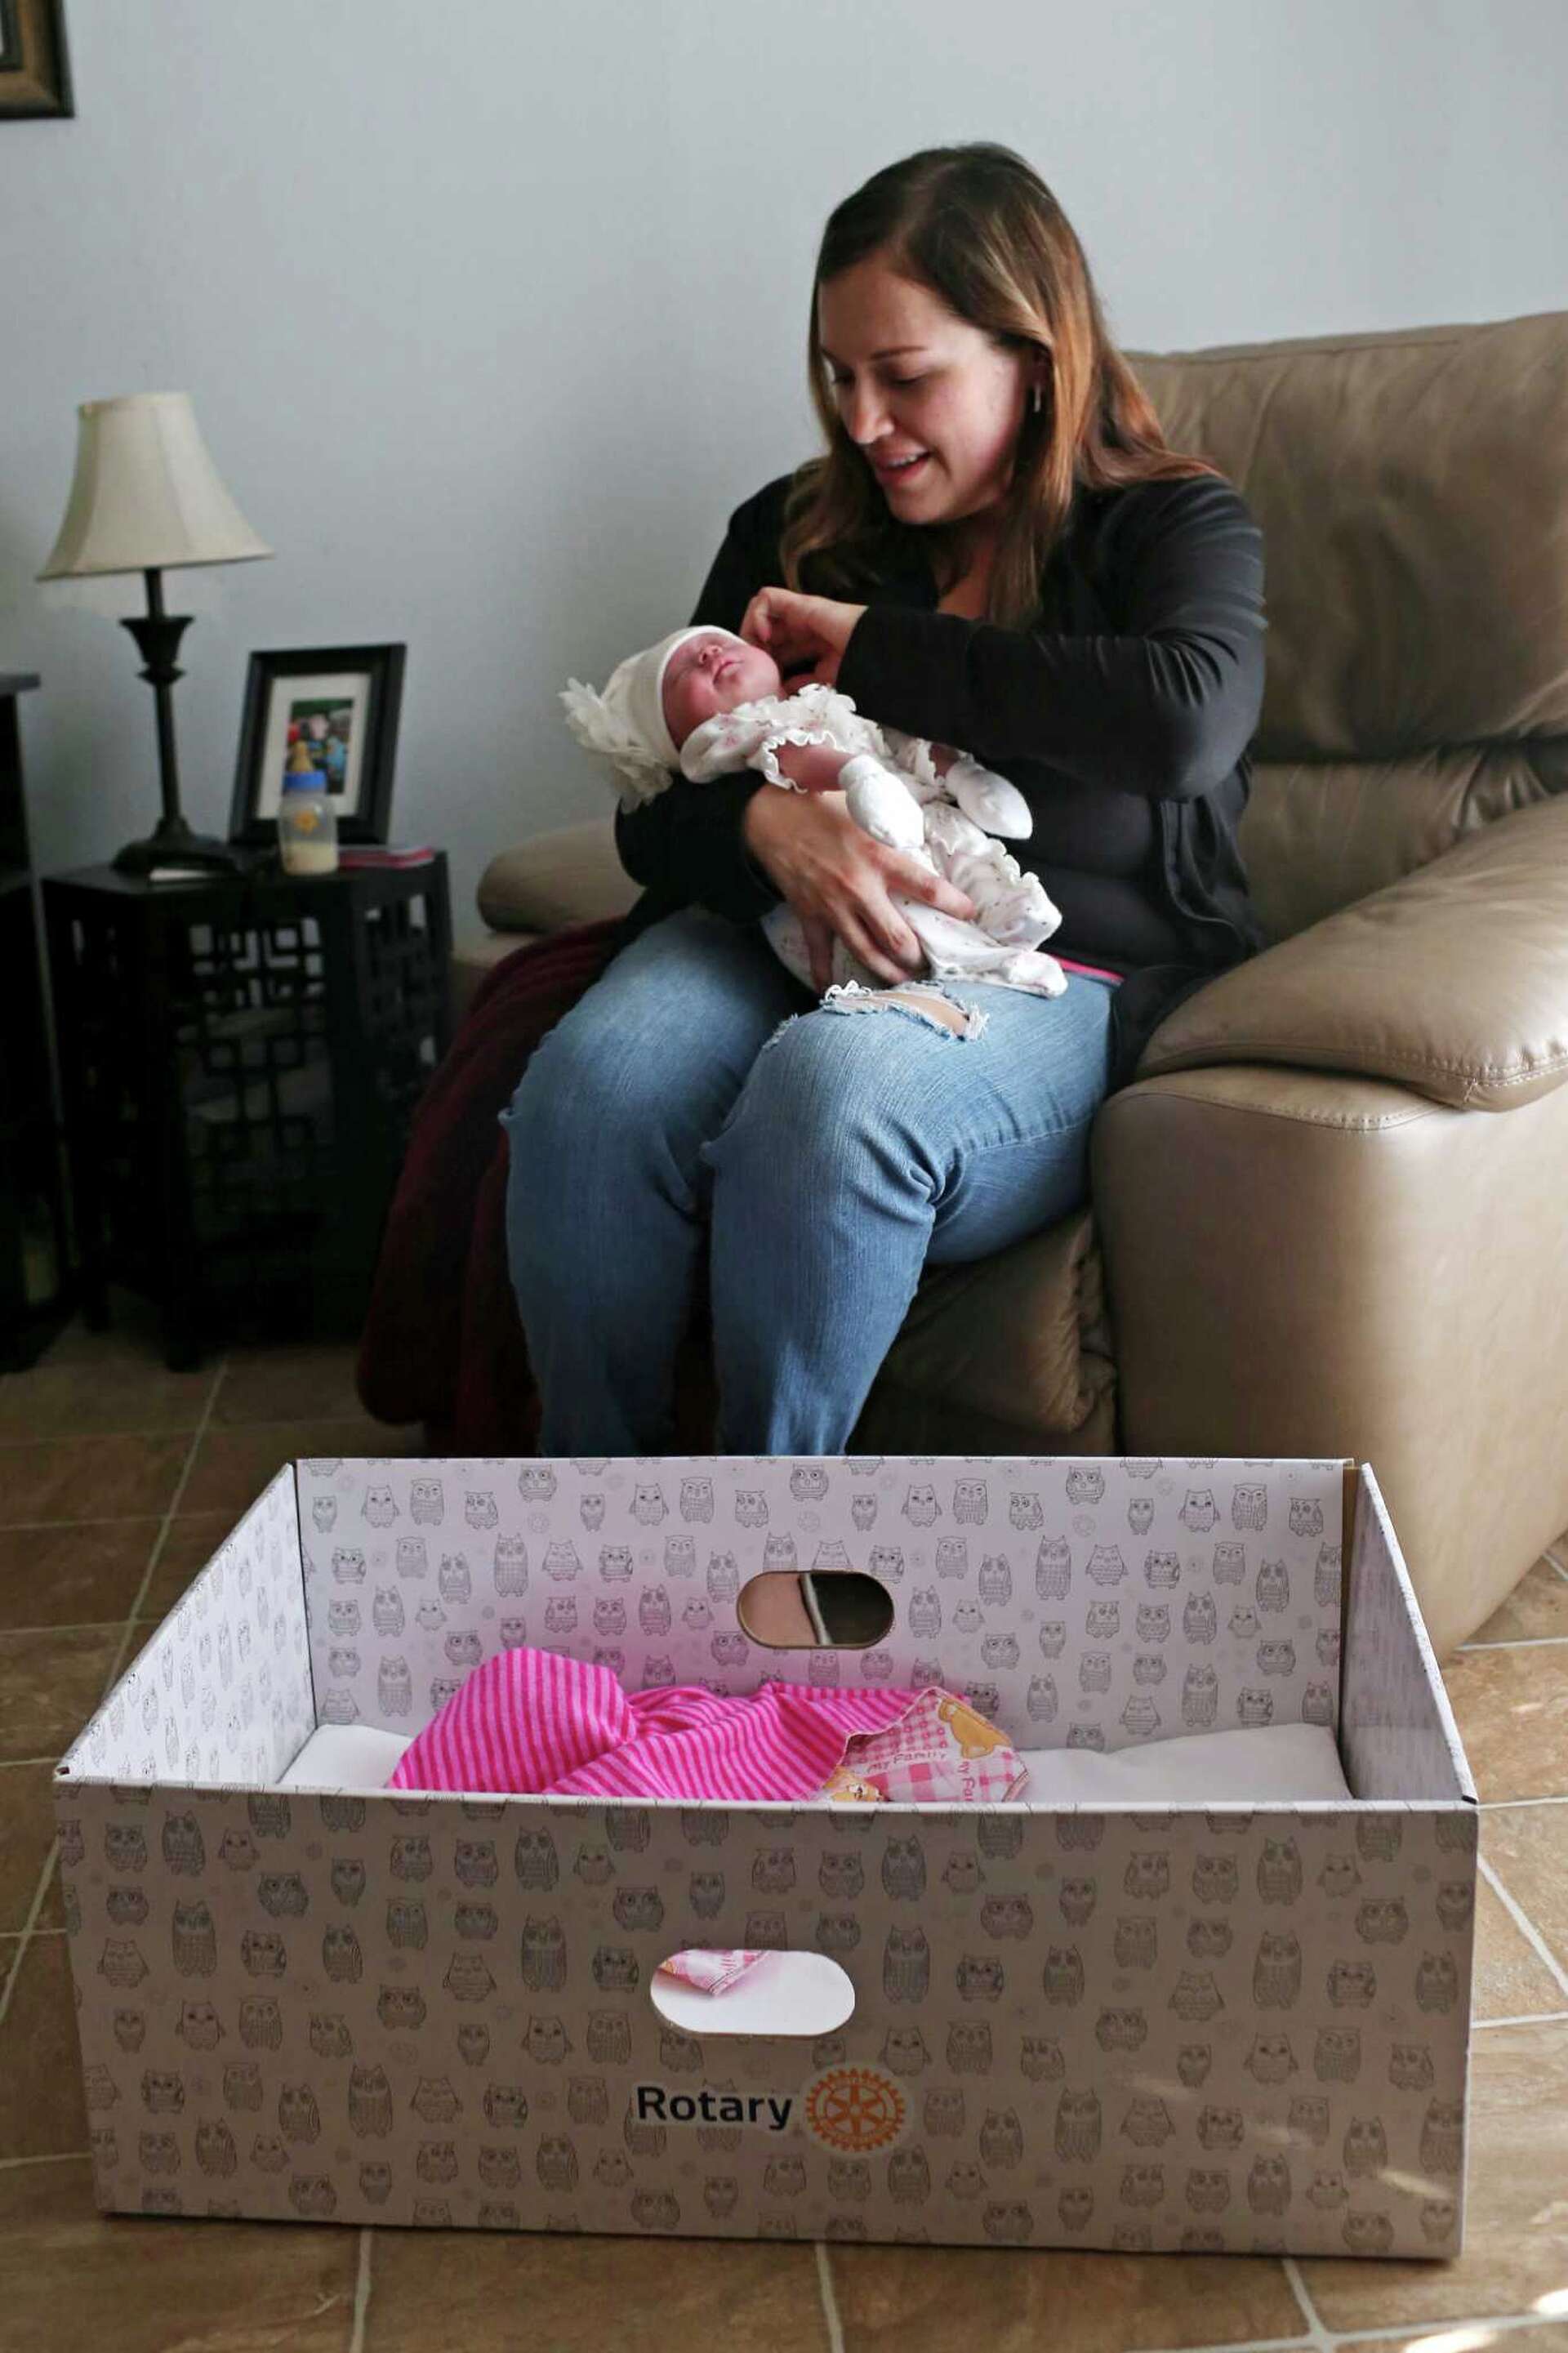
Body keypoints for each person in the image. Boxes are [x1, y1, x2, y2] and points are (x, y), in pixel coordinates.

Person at [502, 140, 1267, 1458]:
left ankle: (769, 1566)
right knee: (595, 1079)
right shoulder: (791, 529)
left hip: (1046, 973)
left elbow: (1185, 722)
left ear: (1033, 355)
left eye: (905, 378)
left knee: (834, 1089)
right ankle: (598, 1539)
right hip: (763, 938)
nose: (861, 424)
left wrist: (868, 646)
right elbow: (650, 795)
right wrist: (759, 826)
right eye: (837, 377)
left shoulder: (1167, 529)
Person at [559, 617, 1069, 998]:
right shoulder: (725, 741)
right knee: (902, 913)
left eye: (716, 640)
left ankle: (1003, 907)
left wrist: (961, 775)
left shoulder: (822, 696)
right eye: (678, 675)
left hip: (912, 816)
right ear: (677, 743)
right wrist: (854, 773)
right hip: (828, 900)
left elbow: (892, 739)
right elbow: (792, 755)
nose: (708, 652)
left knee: (961, 850)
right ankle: (989, 965)